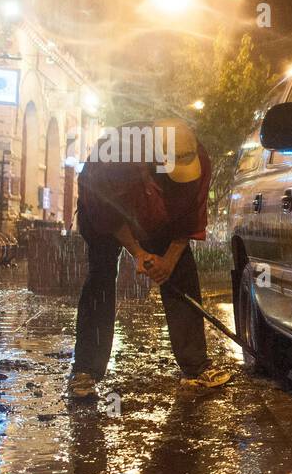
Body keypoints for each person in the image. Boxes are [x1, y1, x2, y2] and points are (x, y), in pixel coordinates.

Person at [68, 117, 232, 399]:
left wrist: (168, 260)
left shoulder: (197, 158)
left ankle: (196, 365)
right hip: (105, 216)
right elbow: (108, 215)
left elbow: (191, 217)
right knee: (101, 276)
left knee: (181, 272)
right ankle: (85, 370)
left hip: (160, 216)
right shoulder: (115, 158)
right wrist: (139, 252)